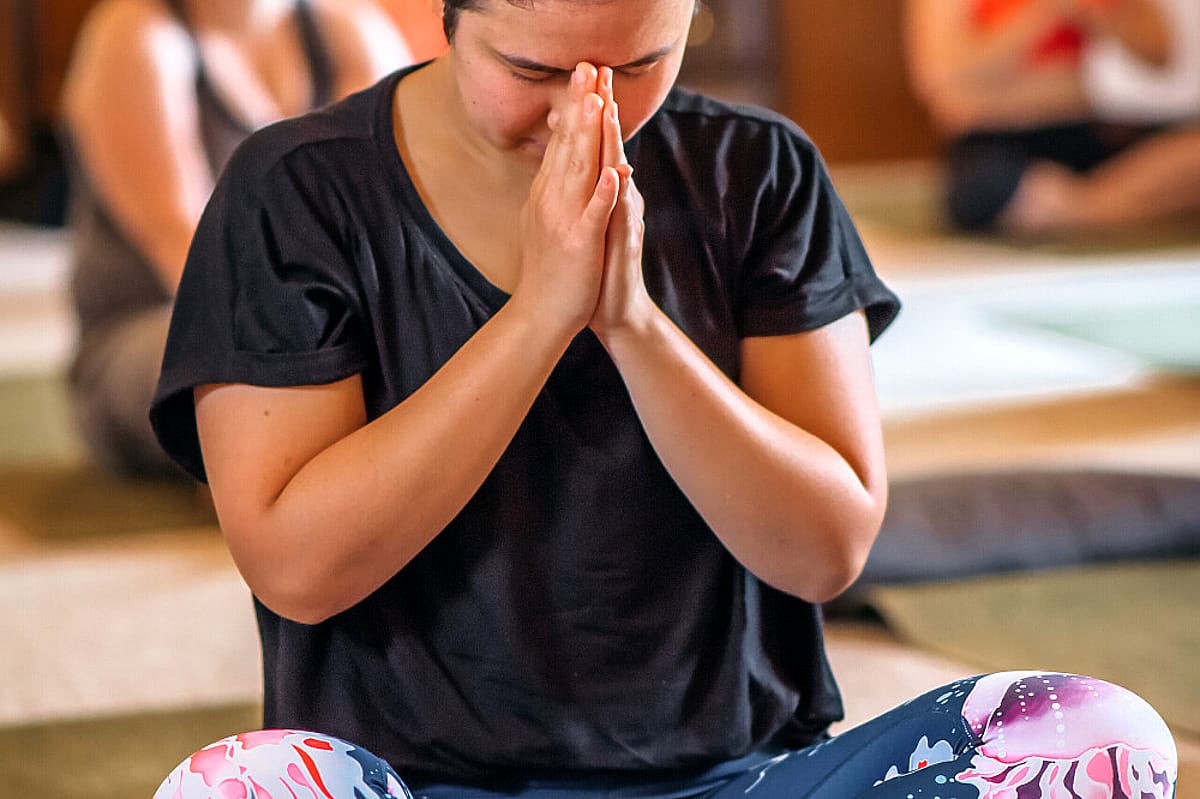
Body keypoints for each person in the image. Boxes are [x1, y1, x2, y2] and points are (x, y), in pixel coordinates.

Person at [148, 0, 1178, 796]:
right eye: (533, 69)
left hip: (731, 778)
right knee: (230, 785)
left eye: (640, 63)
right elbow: (299, 567)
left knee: (1096, 735)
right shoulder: (295, 192)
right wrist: (537, 317)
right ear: (448, 21)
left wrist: (633, 323)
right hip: (416, 779)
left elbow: (824, 547)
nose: (583, 109)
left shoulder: (761, 171)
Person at [59, 0, 412, 477]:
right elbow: (189, 263)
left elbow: (395, 227)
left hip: (323, 325)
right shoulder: (140, 37)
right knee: (261, 370)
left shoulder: (350, 31)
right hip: (157, 330)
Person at [905, 0, 1200, 236]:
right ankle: (1117, 204)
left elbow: (1160, 55)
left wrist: (1111, 16)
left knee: (1190, 150)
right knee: (983, 187)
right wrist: (1045, 11)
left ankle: (1075, 210)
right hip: (1000, 136)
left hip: (1087, 128)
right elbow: (950, 79)